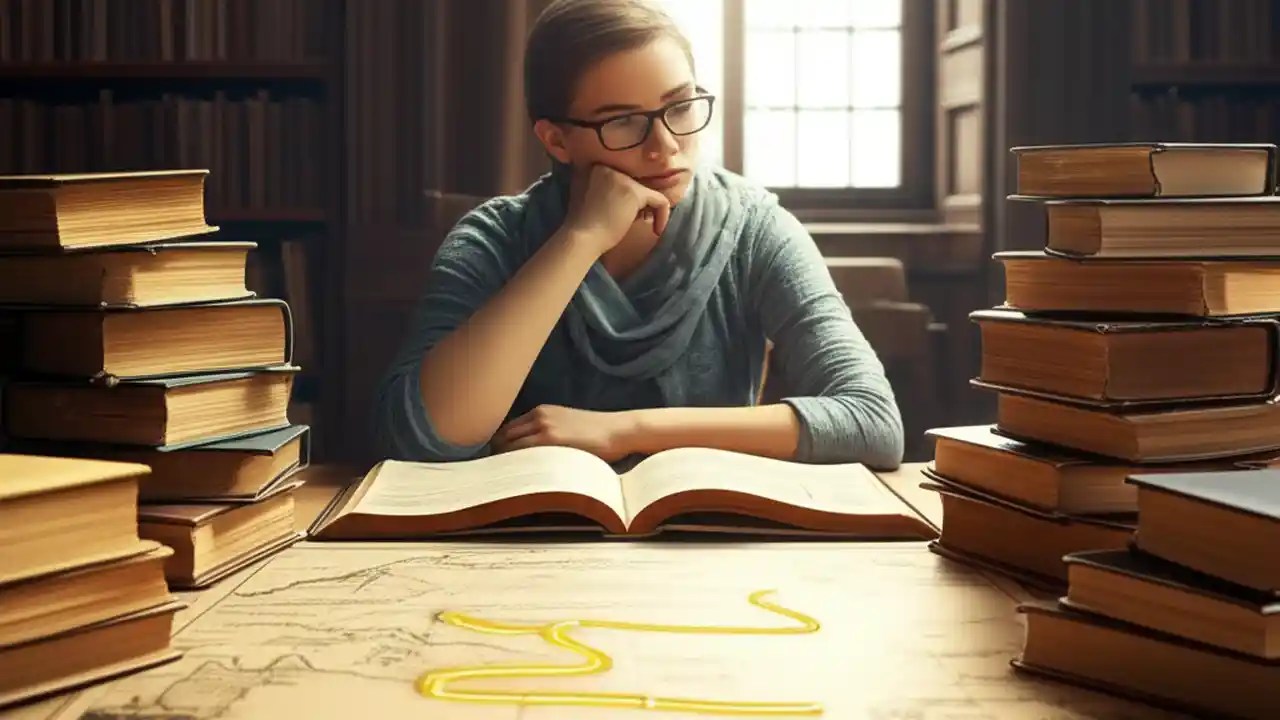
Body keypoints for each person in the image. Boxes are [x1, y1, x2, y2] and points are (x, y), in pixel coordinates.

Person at [373, 0, 904, 470]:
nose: (666, 145)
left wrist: (627, 430)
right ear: (557, 140)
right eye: (623, 122)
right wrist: (579, 239)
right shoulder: (494, 238)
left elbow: (872, 421)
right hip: (526, 551)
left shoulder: (753, 228)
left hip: (703, 541)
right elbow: (422, 437)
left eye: (680, 106)